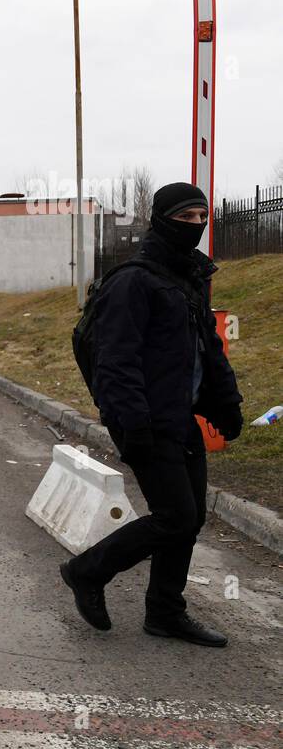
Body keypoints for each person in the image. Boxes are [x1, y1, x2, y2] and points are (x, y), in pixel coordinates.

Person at [61, 182, 243, 647]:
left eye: (201, 218)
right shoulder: (133, 281)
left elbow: (209, 349)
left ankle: (164, 612)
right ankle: (86, 572)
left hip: (180, 417)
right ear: (161, 220)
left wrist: (227, 405)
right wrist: (131, 423)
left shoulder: (189, 279)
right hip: (145, 420)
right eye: (185, 219)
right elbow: (115, 361)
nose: (195, 227)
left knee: (192, 515)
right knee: (175, 516)